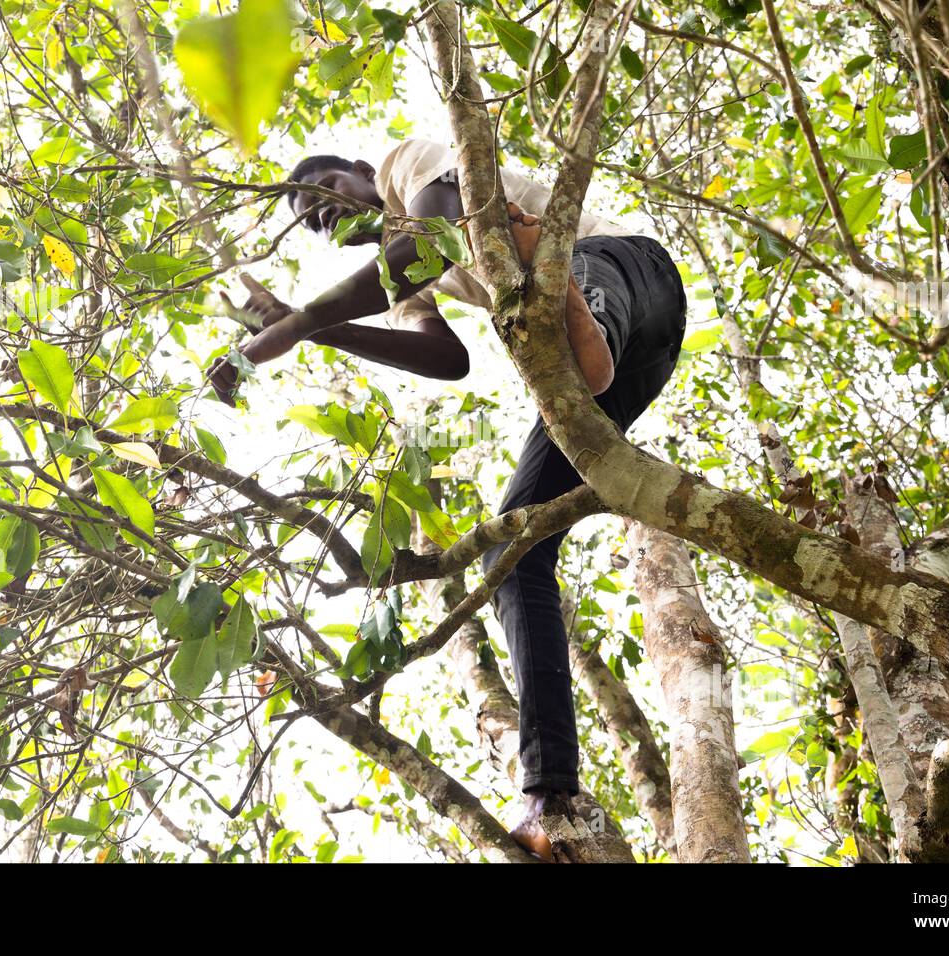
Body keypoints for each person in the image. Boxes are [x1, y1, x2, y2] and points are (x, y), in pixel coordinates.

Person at [214, 139, 687, 860]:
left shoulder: (410, 163)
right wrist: (312, 329)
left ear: (363, 175)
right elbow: (446, 358)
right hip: (628, 363)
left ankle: (572, 322)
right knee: (512, 550)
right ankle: (550, 792)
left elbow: (433, 243)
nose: (325, 217)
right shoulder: (403, 280)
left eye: (328, 194)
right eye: (311, 222)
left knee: (549, 303)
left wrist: (294, 324)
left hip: (623, 268)